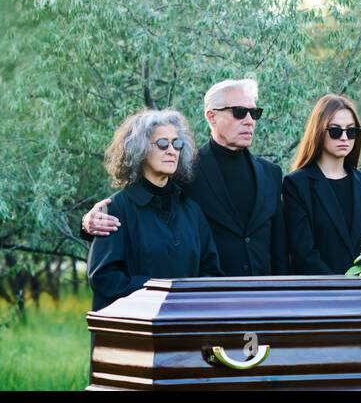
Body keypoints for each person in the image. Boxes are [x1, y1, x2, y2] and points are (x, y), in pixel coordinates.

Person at [82, 79, 288, 276]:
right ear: (211, 116)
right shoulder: (183, 168)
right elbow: (139, 205)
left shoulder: (271, 173)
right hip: (207, 300)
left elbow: (279, 247)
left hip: (264, 298)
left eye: (255, 113)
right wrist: (86, 224)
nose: (249, 121)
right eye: (240, 112)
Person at [87, 108, 221, 312]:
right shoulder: (115, 210)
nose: (171, 150)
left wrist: (186, 298)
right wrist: (164, 291)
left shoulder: (192, 210)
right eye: (162, 143)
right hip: (133, 330)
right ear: (139, 149)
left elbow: (212, 272)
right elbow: (105, 278)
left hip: (186, 325)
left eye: (177, 143)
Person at [282, 94, 361, 275]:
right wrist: (340, 286)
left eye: (351, 131)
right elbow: (303, 254)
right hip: (322, 295)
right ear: (319, 131)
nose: (344, 138)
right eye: (335, 131)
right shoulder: (296, 184)